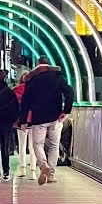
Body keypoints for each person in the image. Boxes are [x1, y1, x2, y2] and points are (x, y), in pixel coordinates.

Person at [17, 57, 73, 186]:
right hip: (56, 117)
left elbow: (26, 101)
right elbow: (69, 92)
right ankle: (51, 175)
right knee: (54, 145)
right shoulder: (58, 77)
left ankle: (43, 166)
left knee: (37, 144)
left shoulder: (33, 80)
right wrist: (66, 110)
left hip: (38, 118)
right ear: (49, 65)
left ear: (37, 66)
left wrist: (23, 120)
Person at [12, 71, 35, 178]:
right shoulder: (36, 90)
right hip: (35, 120)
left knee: (22, 145)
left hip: (21, 120)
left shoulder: (16, 90)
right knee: (33, 146)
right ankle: (33, 171)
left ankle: (22, 169)